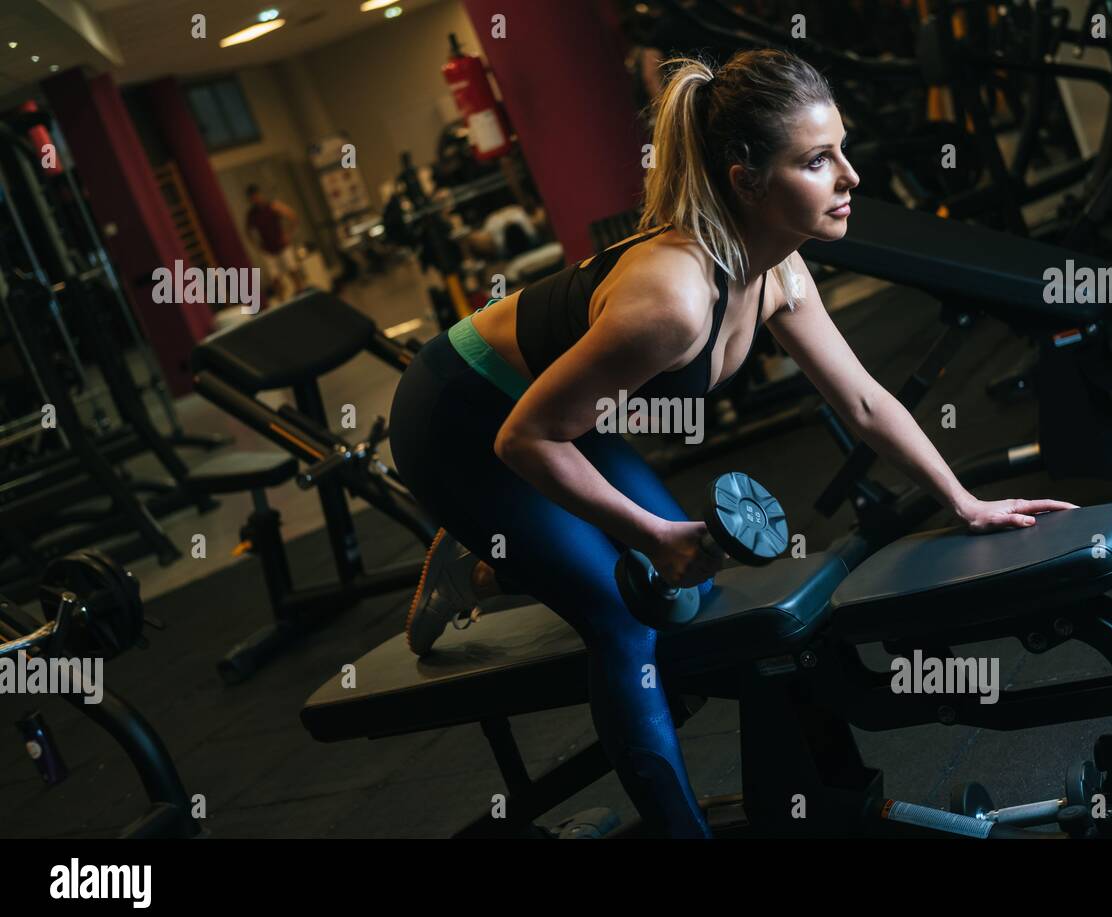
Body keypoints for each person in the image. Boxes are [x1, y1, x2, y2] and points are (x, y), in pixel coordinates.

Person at [386, 48, 1075, 838]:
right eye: (817, 161)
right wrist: (649, 533)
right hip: (460, 418)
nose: (850, 177)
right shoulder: (673, 302)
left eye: (841, 151)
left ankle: (476, 567)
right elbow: (524, 436)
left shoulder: (779, 269)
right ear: (746, 179)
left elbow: (860, 398)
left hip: (546, 412)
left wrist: (964, 501)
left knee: (684, 592)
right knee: (622, 613)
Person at [244, 184, 304, 301]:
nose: (255, 199)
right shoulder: (252, 215)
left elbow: (293, 216)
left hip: (282, 244)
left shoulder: (273, 206)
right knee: (275, 278)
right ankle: (282, 299)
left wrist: (288, 234)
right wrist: (257, 245)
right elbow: (248, 232)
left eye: (256, 196)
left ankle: (300, 291)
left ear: (259, 195)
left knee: (292, 269)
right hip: (268, 249)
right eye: (252, 198)